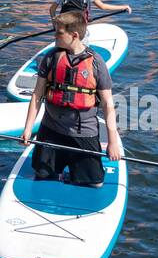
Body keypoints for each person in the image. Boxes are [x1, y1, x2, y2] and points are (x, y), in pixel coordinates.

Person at [21, 10, 123, 187]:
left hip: (83, 132)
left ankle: (79, 172)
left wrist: (113, 142)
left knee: (95, 183)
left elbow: (108, 104)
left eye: (59, 33)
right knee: (42, 174)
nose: (54, 36)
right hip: (51, 130)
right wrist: (28, 129)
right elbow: (37, 95)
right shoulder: (51, 58)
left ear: (74, 35)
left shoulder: (96, 63)